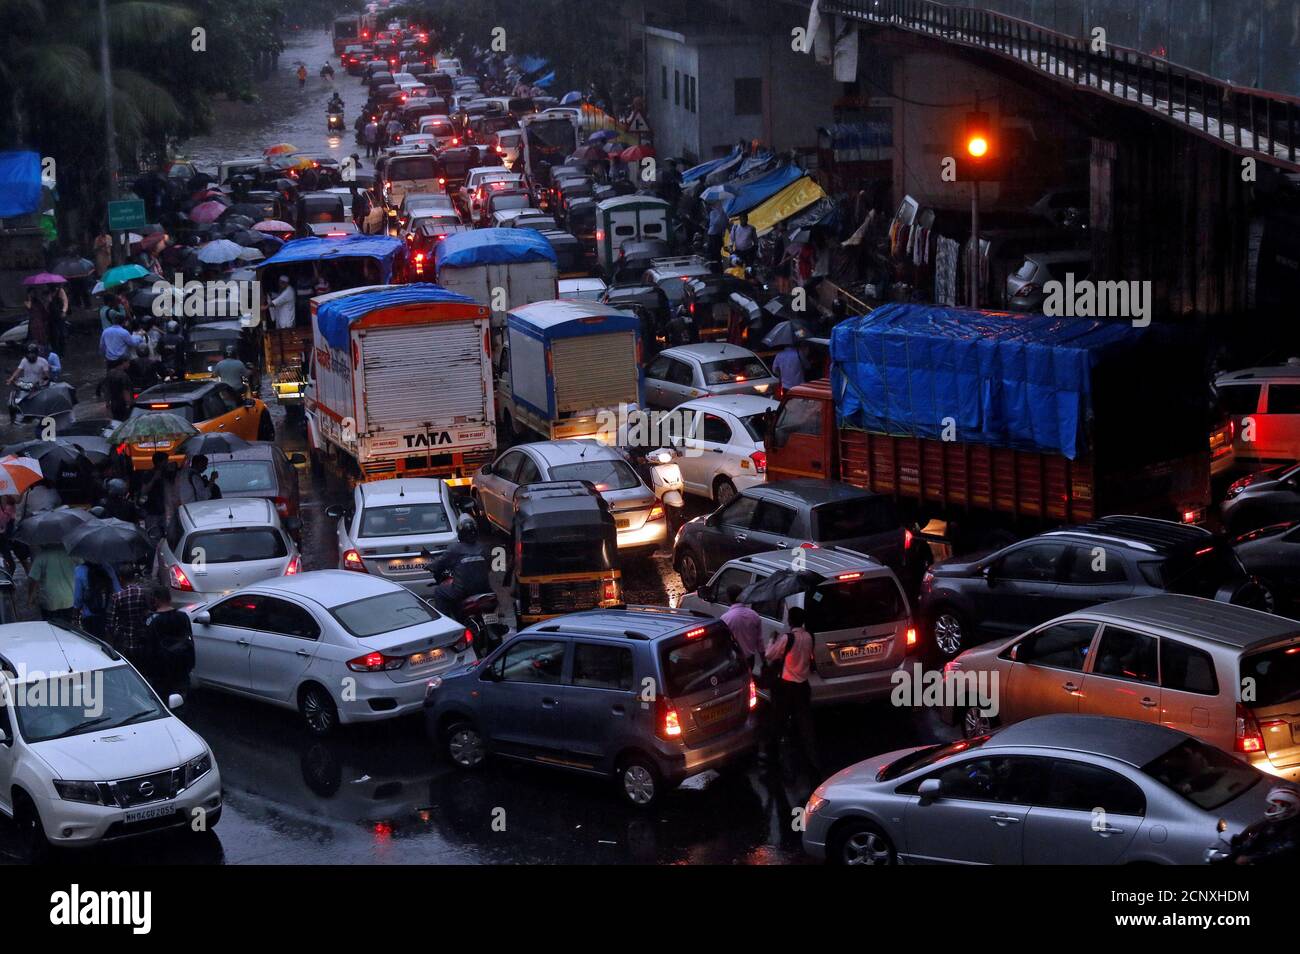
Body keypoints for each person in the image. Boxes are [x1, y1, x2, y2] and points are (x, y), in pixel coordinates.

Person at [763, 605, 819, 775]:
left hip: (787, 687)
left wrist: (772, 639)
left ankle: (772, 757)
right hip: (803, 685)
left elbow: (770, 655)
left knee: (778, 720)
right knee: (803, 721)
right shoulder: (810, 636)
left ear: (790, 621)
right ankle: (810, 758)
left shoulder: (787, 638)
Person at [427, 514, 490, 620]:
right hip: (485, 589)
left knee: (439, 591)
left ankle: (445, 624)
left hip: (462, 591)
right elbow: (491, 565)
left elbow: (440, 562)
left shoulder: (455, 549)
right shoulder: (483, 547)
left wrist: (430, 566)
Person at [142, 584, 195, 698]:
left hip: (161, 673)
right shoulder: (183, 616)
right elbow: (190, 640)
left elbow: (150, 650)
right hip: (182, 669)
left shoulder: (152, 621)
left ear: (155, 599)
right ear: (169, 598)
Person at [1223, 786, 1300, 865]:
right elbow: (1254, 834)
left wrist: (1250, 859)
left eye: (1274, 806)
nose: (1271, 809)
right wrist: (1239, 839)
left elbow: (1285, 852)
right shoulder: (1272, 821)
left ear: (1286, 808)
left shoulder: (1294, 829)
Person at [105, 565, 152, 669]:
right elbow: (150, 613)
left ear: (121, 578)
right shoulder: (144, 593)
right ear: (134, 577)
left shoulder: (117, 597)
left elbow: (110, 623)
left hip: (124, 642)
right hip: (142, 640)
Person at [27, 542, 77, 624]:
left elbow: (33, 579)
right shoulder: (70, 553)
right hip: (69, 600)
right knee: (67, 629)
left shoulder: (41, 556)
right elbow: (81, 566)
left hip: (49, 601)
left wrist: (30, 597)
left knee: (51, 629)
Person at [721, 585, 765, 674]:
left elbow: (722, 643)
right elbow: (760, 642)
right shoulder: (754, 616)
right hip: (750, 660)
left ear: (729, 598)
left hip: (734, 660)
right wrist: (764, 661)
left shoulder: (725, 619)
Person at [72, 559, 120, 638]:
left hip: (88, 617)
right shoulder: (107, 568)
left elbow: (78, 599)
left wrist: (75, 617)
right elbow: (117, 591)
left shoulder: (79, 570)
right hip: (106, 615)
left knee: (91, 644)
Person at [7, 344, 51, 424]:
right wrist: (11, 379)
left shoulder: (43, 362)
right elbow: (18, 371)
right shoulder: (24, 360)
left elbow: (47, 376)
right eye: (29, 353)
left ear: (36, 354)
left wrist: (42, 381)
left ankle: (36, 415)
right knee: (12, 400)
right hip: (26, 384)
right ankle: (13, 419)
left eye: (32, 353)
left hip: (38, 386)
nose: (30, 355)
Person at [141, 452, 172, 542]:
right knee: (154, 537)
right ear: (159, 462)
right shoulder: (148, 474)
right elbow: (144, 491)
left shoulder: (166, 474)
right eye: (165, 461)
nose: (167, 463)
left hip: (164, 510)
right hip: (152, 511)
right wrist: (154, 478)